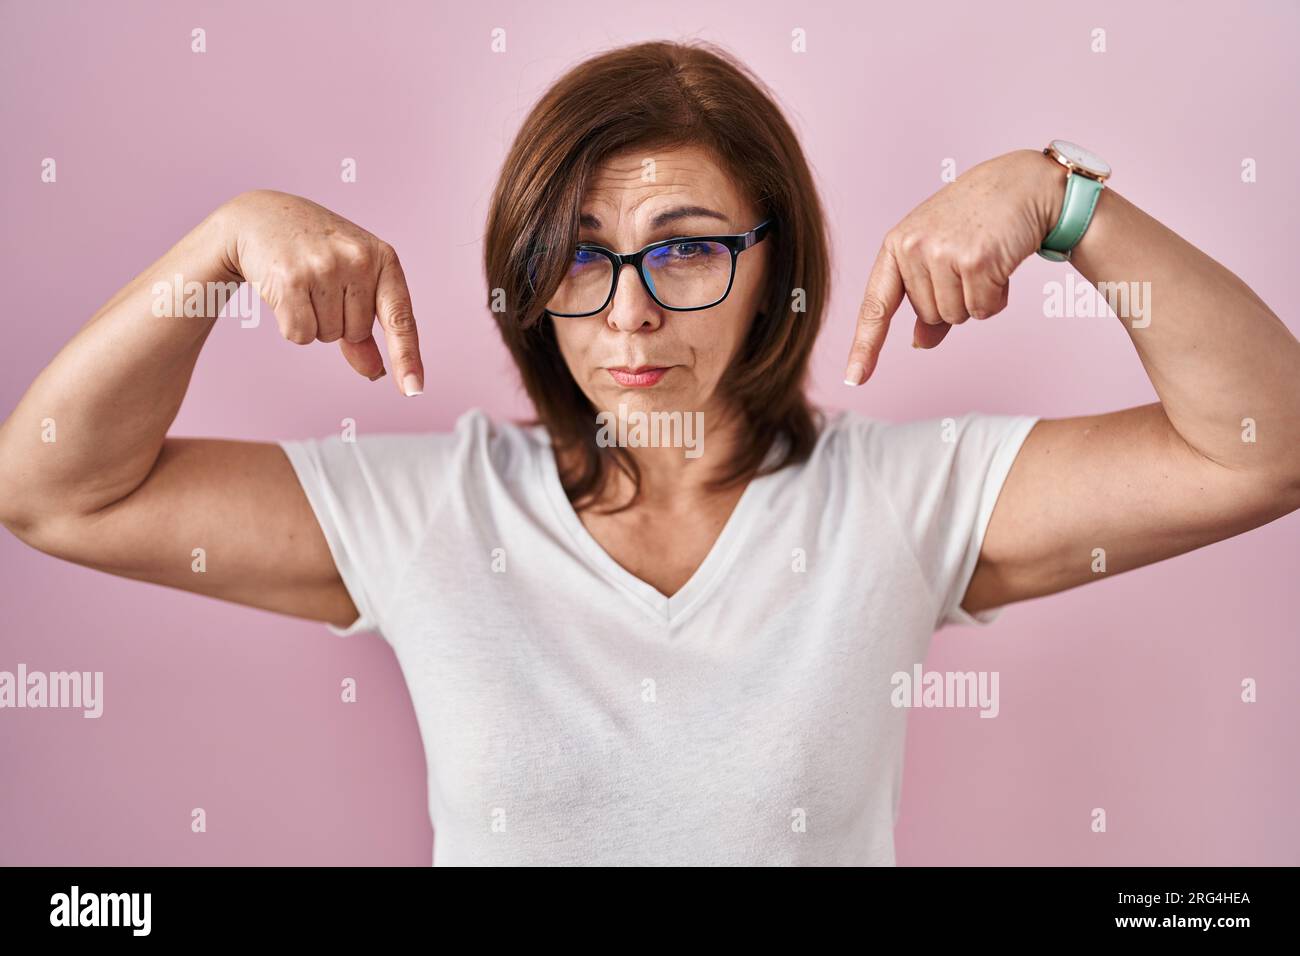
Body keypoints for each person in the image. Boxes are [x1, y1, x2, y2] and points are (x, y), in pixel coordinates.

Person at [1, 40, 1296, 865]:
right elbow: (53, 490)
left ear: (771, 264)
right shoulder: (431, 512)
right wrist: (222, 245)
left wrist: (1067, 202)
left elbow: (1261, 452)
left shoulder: (899, 502)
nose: (627, 314)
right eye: (577, 257)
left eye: (685, 247)